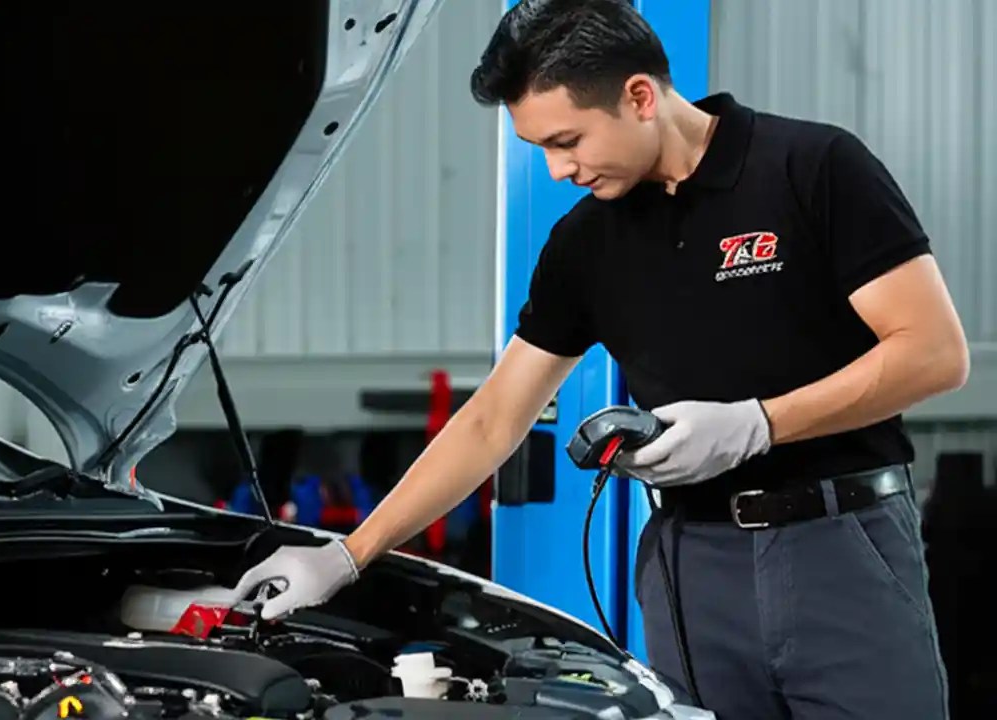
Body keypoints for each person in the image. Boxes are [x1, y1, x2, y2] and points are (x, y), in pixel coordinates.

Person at [232, 1, 968, 718]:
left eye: (567, 140)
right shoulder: (586, 245)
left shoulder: (811, 168)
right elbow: (492, 421)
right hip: (690, 568)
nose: (557, 170)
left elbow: (933, 354)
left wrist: (759, 424)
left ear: (640, 96)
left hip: (840, 550)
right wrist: (348, 555)